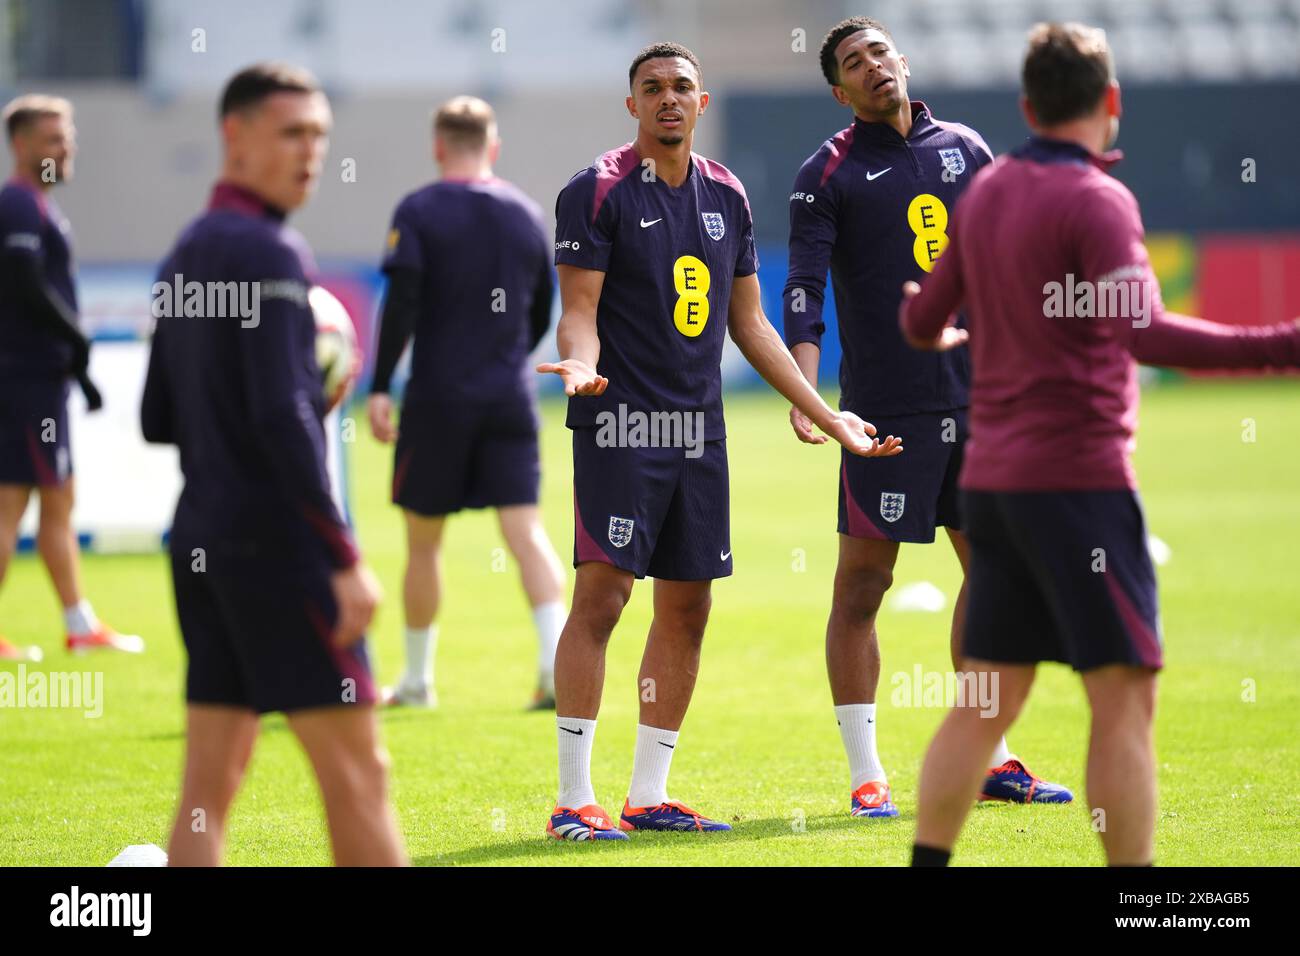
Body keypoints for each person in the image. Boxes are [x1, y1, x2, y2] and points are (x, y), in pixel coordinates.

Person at [901, 22, 1300, 866]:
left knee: (983, 704)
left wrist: (945, 335)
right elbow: (1146, 335)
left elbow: (919, 319)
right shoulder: (1097, 200)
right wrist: (1282, 342)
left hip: (994, 485)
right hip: (1077, 484)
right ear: (1110, 103)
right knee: (1121, 702)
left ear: (1027, 106)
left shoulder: (989, 192)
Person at [539, 42, 901, 841]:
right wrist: (581, 366)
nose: (668, 99)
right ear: (631, 105)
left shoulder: (727, 194)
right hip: (620, 426)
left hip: (700, 432)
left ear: (702, 104)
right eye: (652, 88)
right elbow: (581, 310)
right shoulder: (594, 190)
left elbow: (752, 324)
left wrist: (829, 411)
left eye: (682, 88)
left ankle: (648, 794)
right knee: (603, 598)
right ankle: (573, 798)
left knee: (690, 606)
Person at [784, 16, 1071, 817]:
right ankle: (866, 773)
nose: (873, 66)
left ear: (901, 61)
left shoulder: (970, 150)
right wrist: (812, 397)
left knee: (995, 578)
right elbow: (802, 289)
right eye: (854, 63)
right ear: (841, 91)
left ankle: (992, 756)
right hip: (887, 410)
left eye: (880, 51)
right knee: (864, 586)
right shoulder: (826, 172)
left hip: (982, 402)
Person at [142, 63, 406, 866]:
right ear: (236, 135)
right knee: (360, 773)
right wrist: (343, 557)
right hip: (282, 554)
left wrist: (275, 387)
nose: (311, 152)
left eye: (320, 135)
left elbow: (157, 420)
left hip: (202, 542)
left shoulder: (185, 251)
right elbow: (280, 415)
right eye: (292, 133)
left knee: (208, 789)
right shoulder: (271, 250)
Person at [368, 96, 567, 711]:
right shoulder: (526, 213)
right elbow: (540, 308)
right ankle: (555, 669)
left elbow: (400, 303)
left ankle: (418, 682)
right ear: (493, 146)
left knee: (423, 543)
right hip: (509, 394)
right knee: (526, 532)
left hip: (436, 396)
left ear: (437, 146)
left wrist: (378, 385)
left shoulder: (419, 210)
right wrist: (508, 357)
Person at [0, 93, 140, 661]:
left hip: (43, 379)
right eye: (54, 138)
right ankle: (76, 622)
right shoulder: (17, 205)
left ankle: (78, 621)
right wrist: (78, 341)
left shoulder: (38, 205)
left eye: (69, 136)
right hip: (23, 380)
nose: (67, 147)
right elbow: (24, 283)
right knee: (11, 504)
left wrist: (76, 370)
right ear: (22, 144)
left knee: (59, 499)